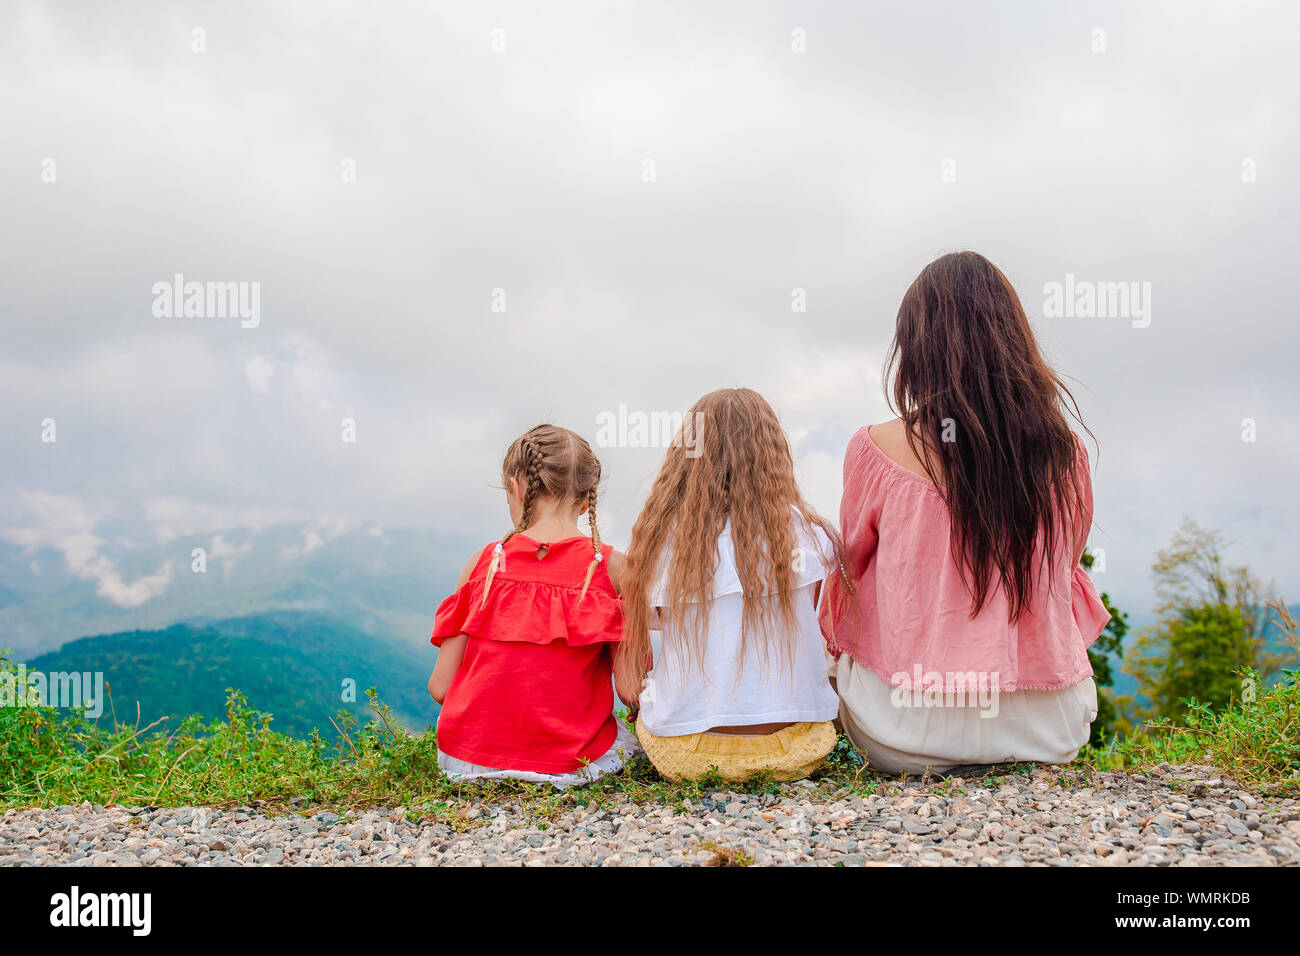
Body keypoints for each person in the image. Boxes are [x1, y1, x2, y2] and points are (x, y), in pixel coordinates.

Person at [821, 251, 1111, 775]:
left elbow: (848, 572)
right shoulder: (1067, 455)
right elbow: (1067, 568)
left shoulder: (875, 449)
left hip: (903, 732)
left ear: (915, 347)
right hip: (1050, 731)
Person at [616, 388, 845, 783]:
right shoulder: (810, 535)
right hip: (792, 748)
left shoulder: (664, 543)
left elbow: (649, 630)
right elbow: (819, 621)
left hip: (686, 753)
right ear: (773, 457)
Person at [428, 424, 635, 788]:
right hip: (572, 763)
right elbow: (630, 690)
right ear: (587, 498)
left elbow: (441, 687)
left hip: (467, 760)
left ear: (516, 487)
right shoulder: (609, 567)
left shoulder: (483, 564)